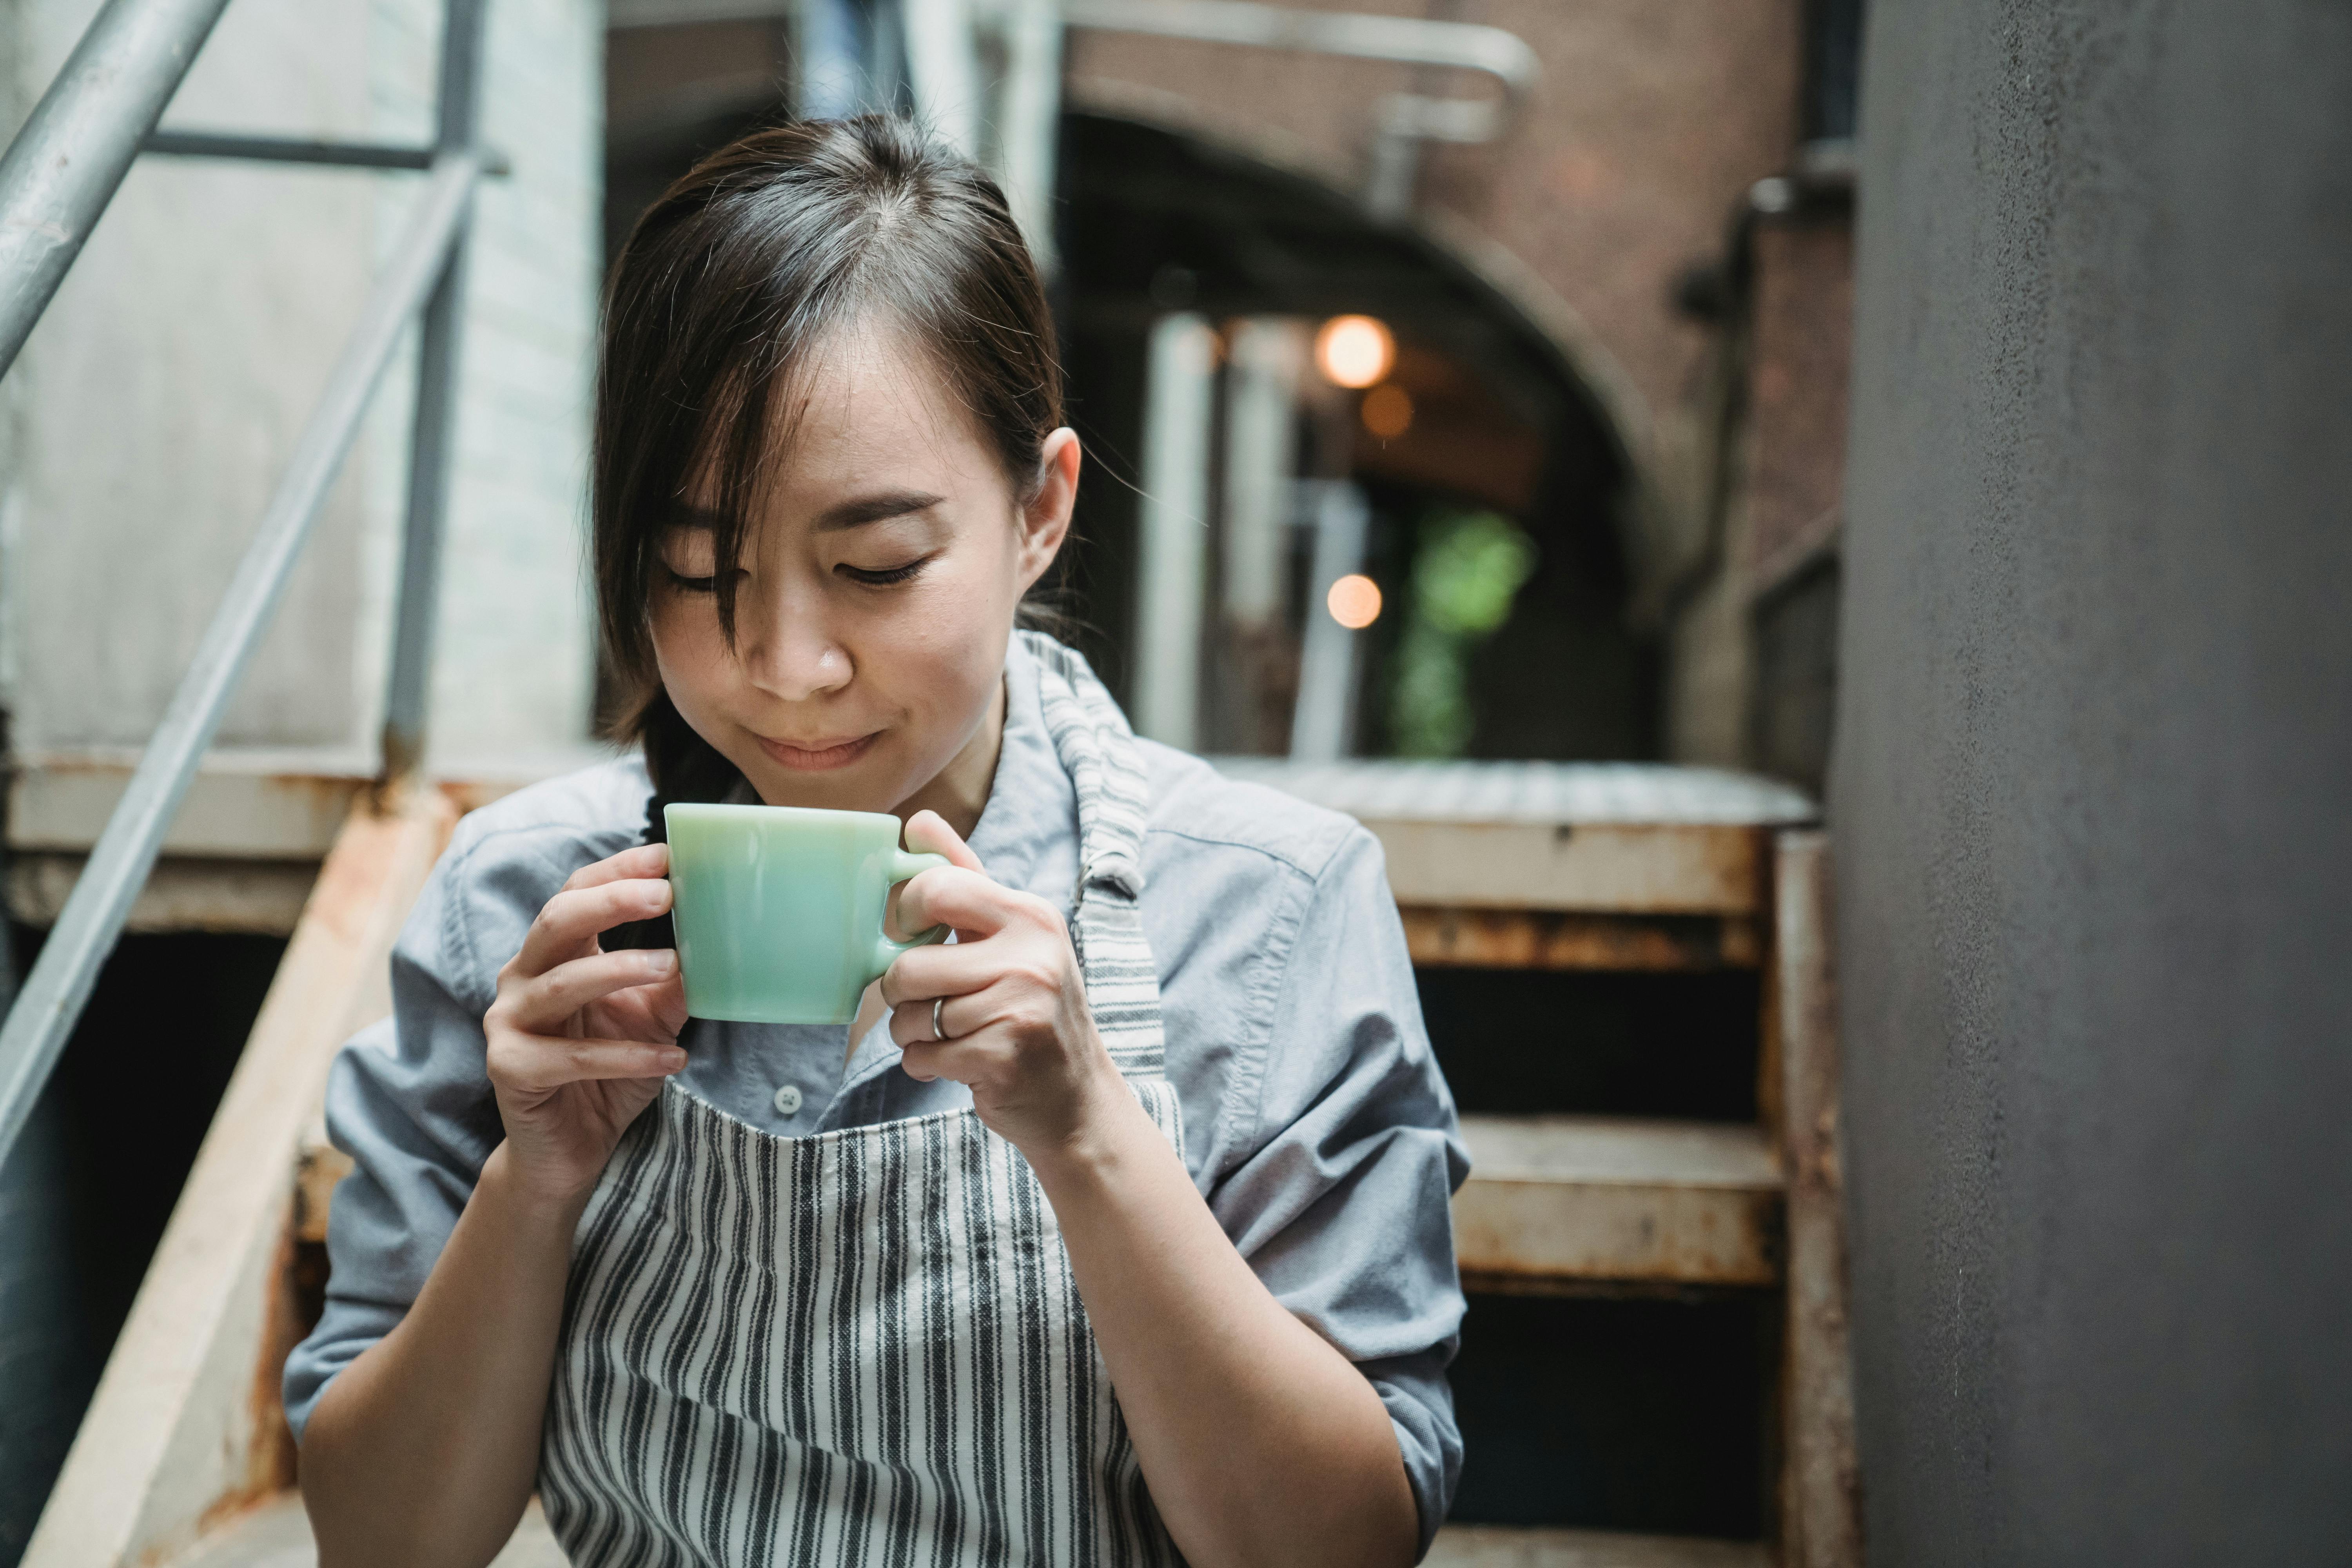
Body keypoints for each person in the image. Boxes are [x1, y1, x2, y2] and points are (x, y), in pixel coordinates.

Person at [285, 116, 1467, 1568]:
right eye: (695, 569)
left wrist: (1092, 1134)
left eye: (877, 567)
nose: (786, 665)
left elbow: (1341, 1548)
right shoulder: (520, 904)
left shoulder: (1264, 909)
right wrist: (529, 1186)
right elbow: (379, 1540)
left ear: (1040, 511)